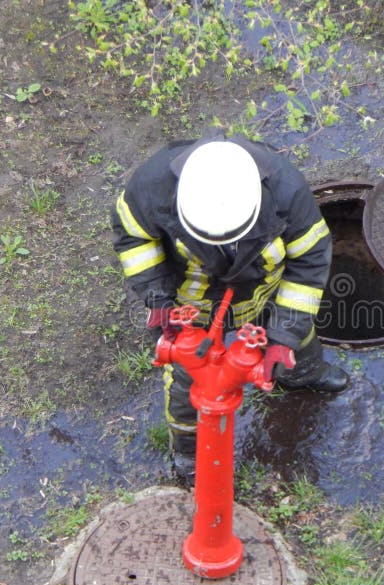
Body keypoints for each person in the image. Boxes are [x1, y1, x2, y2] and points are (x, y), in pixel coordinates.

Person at [111, 134, 349, 482]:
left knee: (296, 340)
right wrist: (158, 299)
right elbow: (134, 238)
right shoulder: (150, 187)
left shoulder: (288, 192)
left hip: (265, 288)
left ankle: (302, 374)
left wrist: (282, 337)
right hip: (191, 302)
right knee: (186, 383)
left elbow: (309, 263)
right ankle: (189, 454)